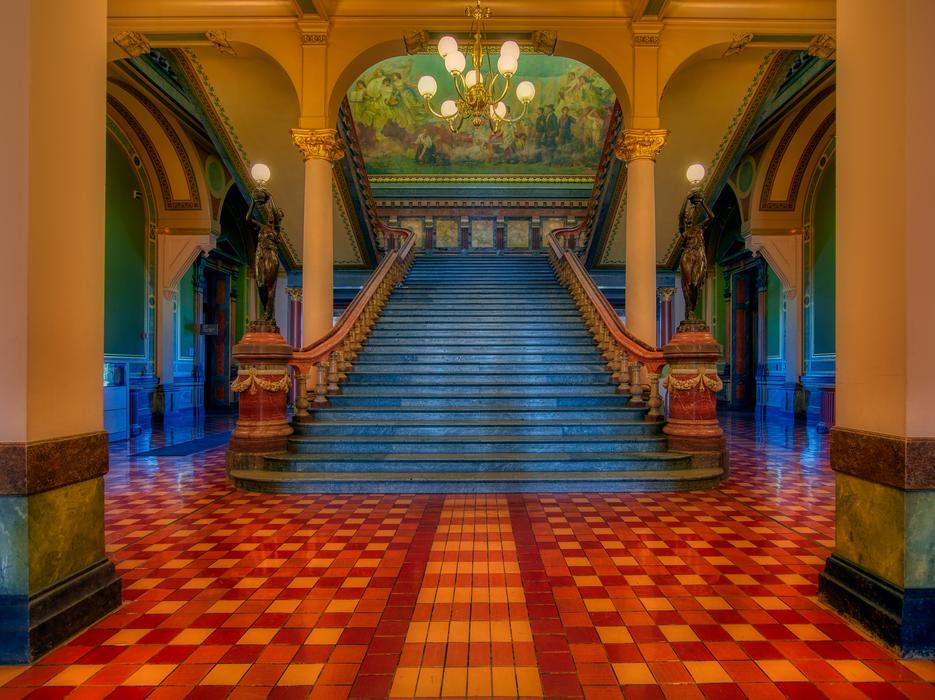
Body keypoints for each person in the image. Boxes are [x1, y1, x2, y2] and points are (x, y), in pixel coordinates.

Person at [678, 188, 714, 326]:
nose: (687, 218)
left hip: (698, 254)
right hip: (687, 255)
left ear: (692, 218)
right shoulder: (683, 231)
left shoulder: (700, 228)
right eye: (686, 218)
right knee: (687, 284)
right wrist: (686, 199)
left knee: (695, 284)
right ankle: (690, 311)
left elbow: (711, 216)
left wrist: (703, 202)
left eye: (689, 217)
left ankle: (692, 308)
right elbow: (680, 214)